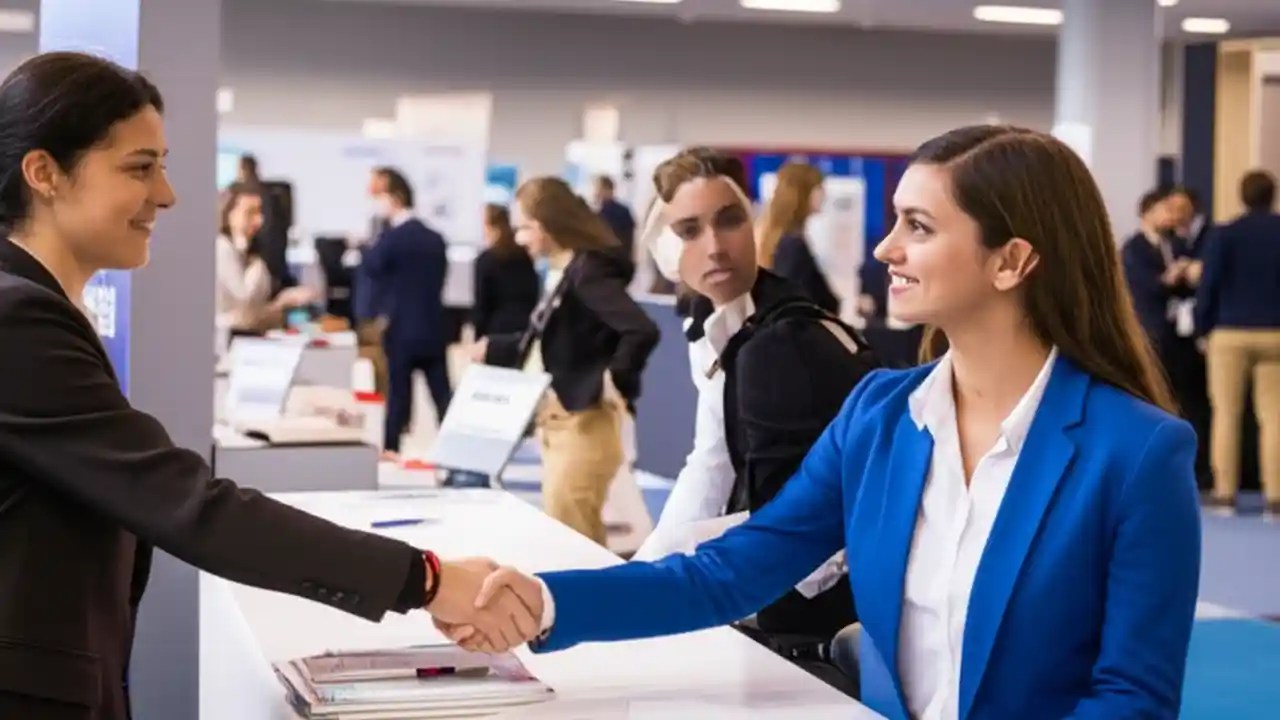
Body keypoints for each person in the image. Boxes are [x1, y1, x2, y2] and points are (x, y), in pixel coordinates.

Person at [447, 126, 1202, 720]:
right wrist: (544, 601)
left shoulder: (1135, 454)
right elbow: (731, 571)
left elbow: (1132, 699)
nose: (885, 249)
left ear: (1010, 262)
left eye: (918, 226)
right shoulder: (879, 414)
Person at [0, 52, 535, 720]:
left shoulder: (31, 303)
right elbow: (190, 505)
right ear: (44, 173)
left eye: (163, 166)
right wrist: (424, 579)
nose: (166, 195)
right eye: (140, 168)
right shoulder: (17, 316)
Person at [631, 148, 878, 694]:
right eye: (689, 229)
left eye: (729, 220)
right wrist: (643, 576)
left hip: (825, 611)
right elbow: (711, 458)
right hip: (788, 593)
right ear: (666, 246)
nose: (715, 246)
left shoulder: (778, 343)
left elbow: (796, 534)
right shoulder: (724, 325)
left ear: (754, 222)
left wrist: (648, 585)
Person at [473, 177, 659, 545]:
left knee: (575, 541)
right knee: (570, 534)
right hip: (557, 424)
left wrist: (610, 385)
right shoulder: (565, 270)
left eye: (525, 227)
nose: (521, 238)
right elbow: (553, 340)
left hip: (582, 424)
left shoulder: (588, 272)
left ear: (545, 226)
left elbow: (640, 330)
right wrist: (494, 348)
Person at [1196, 170, 1280, 518]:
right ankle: (1275, 498)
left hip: (1230, 333)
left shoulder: (1225, 234)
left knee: (1226, 414)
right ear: (1272, 195)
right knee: (1275, 417)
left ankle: (1225, 494)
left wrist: (1203, 328)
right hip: (1276, 332)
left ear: (1242, 197)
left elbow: (1209, 284)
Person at [360, 167, 452, 458]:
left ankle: (391, 450)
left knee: (397, 394)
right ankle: (458, 453)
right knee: (442, 396)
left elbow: (372, 267)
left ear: (395, 197)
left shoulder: (391, 240)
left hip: (400, 329)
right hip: (433, 326)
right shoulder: (435, 239)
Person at [213, 182, 312, 351]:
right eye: (250, 213)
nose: (259, 221)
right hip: (226, 340)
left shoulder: (249, 252)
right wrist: (282, 302)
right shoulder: (222, 248)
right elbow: (244, 301)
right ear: (229, 213)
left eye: (260, 212)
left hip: (244, 339)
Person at [757, 161, 840, 314]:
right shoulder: (792, 246)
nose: (824, 195)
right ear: (804, 192)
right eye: (819, 188)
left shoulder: (778, 241)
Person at [1121, 188, 1188, 353]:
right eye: (1166, 210)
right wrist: (1172, 275)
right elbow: (1149, 283)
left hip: (1177, 329)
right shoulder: (1134, 248)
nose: (1171, 215)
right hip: (1147, 326)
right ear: (1148, 213)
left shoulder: (1176, 244)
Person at [472, 203, 539, 340]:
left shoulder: (486, 259)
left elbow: (482, 303)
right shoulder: (524, 256)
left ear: (489, 226)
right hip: (524, 328)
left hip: (495, 330)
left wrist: (478, 337)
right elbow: (533, 290)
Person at [593, 175, 637, 281]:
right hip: (617, 263)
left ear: (608, 190)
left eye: (598, 189)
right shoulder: (623, 211)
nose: (596, 193)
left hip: (610, 263)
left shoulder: (609, 213)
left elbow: (628, 239)